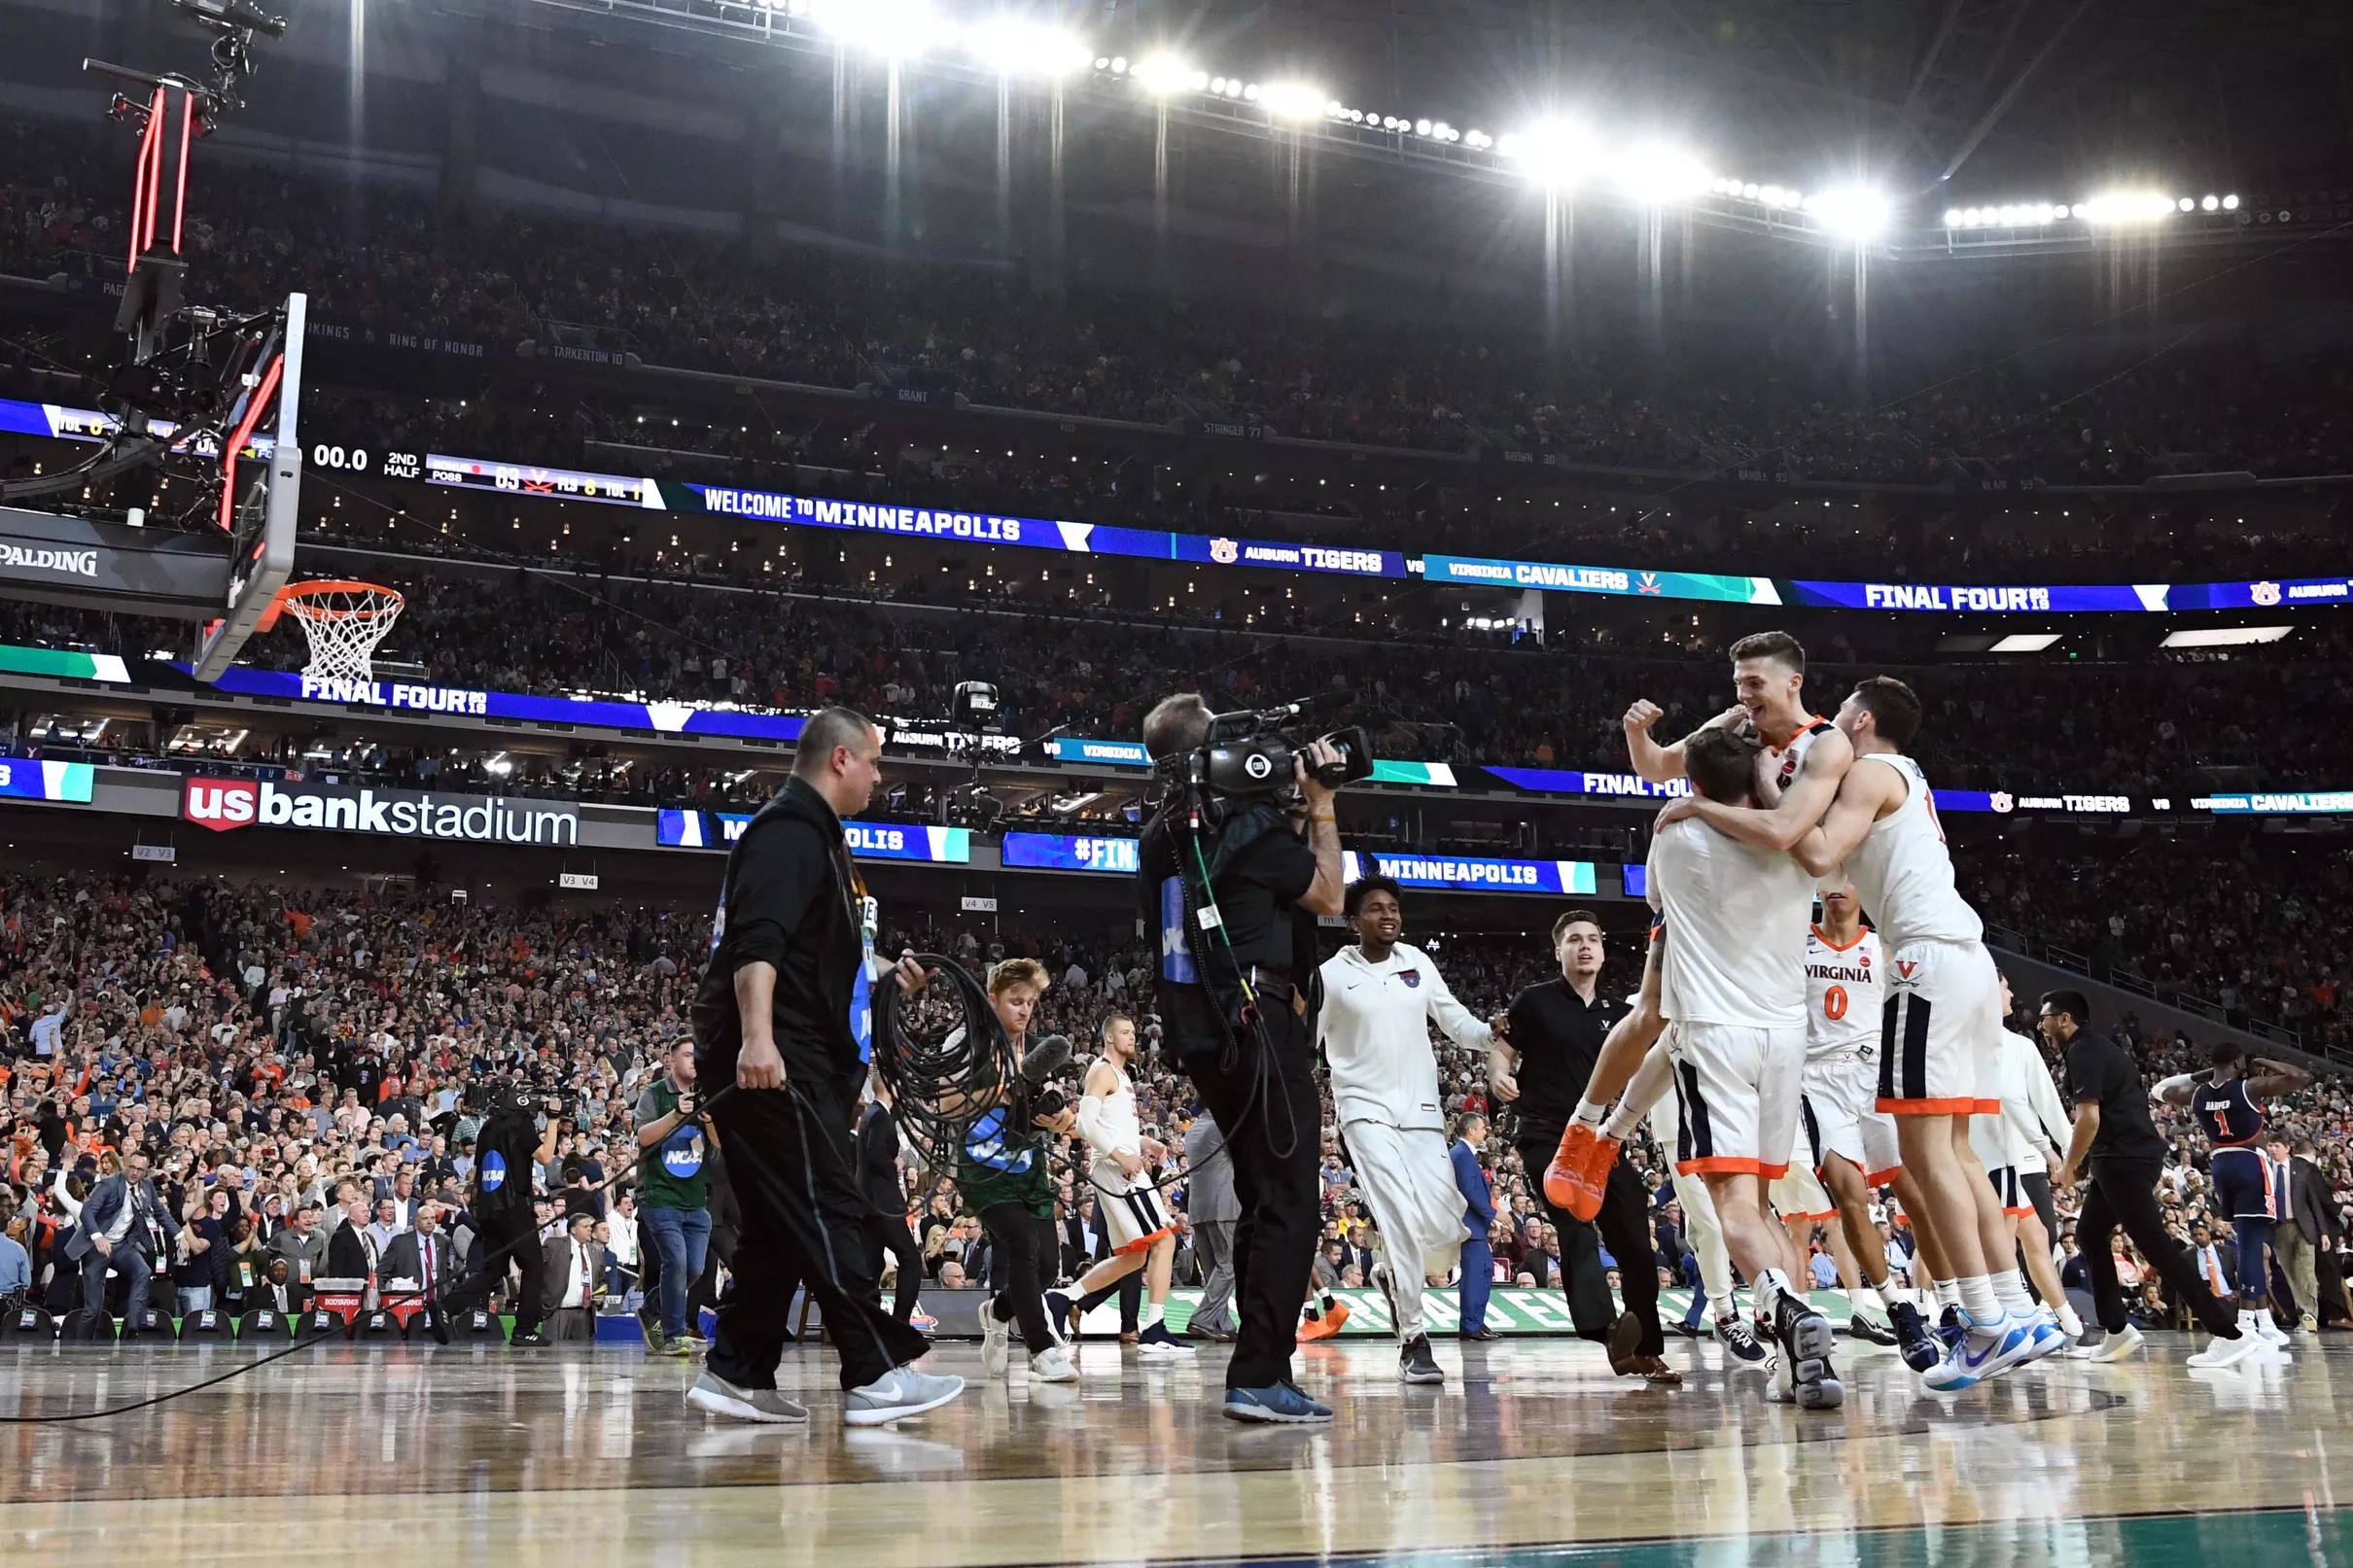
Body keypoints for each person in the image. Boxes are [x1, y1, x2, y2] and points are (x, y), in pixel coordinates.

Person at [1664, 674, 2062, 1389]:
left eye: (1839, 713)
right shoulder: (1900, 778)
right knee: (1959, 1152)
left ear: (1865, 719)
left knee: (1924, 1154)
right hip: (1968, 962)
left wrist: (1706, 798)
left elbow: (1807, 848)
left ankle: (1982, 1321)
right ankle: (2013, 1305)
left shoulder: (1870, 769)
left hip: (1922, 960)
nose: (1827, 723)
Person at [688, 706, 959, 1426]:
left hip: (787, 1049)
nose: (879, 775)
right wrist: (757, 1037)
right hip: (772, 1057)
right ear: (840, 758)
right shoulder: (788, 831)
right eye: (873, 761)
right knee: (829, 1203)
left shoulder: (817, 838)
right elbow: (757, 942)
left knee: (779, 1222)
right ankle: (874, 1370)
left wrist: (879, 975)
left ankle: (736, 1373)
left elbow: (809, 962)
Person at [1548, 630, 1858, 1202]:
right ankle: (1584, 1130)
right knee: (1654, 1013)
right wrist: (1634, 732)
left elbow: (1792, 833)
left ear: (1794, 682)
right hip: (1714, 889)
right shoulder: (1735, 724)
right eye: (1739, 682)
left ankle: (1613, 1133)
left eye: (1755, 682)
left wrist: (1698, 804)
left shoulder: (1824, 745)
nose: (1745, 693)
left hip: (1771, 900)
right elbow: (1659, 769)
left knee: (1697, 1026)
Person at [1136, 693, 1348, 1424]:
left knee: (1264, 1197)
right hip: (1261, 1024)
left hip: (1206, 1031)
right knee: (1291, 1201)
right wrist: (1319, 805)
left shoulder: (1163, 830)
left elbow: (1252, 887)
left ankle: (1258, 1366)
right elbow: (1325, 892)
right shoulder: (1242, 823)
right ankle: (1258, 1373)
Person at [1644, 726, 1839, 1409]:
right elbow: (1779, 824)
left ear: (1692, 785)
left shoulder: (1674, 834)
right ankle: (1802, 1365)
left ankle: (1786, 1307)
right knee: (1768, 1207)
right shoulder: (1798, 848)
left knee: (1733, 1208)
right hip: (1786, 1039)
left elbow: (1652, 907)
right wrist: (1767, 779)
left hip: (1714, 1034)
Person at [1316, 875, 1488, 1384]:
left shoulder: (1418, 962)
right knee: (1400, 1220)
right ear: (1353, 920)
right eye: (1374, 908)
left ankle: (1390, 1277)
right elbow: (1306, 1043)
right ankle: (1414, 1339)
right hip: (1364, 1113)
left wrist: (1495, 1033)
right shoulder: (1329, 975)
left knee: (1441, 1227)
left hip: (1421, 1113)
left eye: (1393, 908)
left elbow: (1457, 1023)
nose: (1387, 915)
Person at [1493, 910, 1678, 1382]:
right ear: (1558, 951)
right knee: (1573, 1221)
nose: (1585, 946)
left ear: (1604, 950)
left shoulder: (1621, 1016)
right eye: (1574, 939)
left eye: (1593, 938)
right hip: (1545, 1134)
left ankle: (1646, 1349)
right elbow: (1503, 1050)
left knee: (1636, 1232)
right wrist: (1497, 1073)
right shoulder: (1533, 1002)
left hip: (1601, 1139)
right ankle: (1607, 1329)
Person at [2044, 990, 2245, 1363]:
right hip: (2120, 1156)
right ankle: (2117, 1330)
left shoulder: (2083, 1051)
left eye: (2046, 1018)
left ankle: (2228, 1332)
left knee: (2155, 1246)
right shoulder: (2097, 1048)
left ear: (2065, 1019)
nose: (2042, 1025)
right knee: (2089, 1234)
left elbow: (2089, 1117)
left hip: (2124, 1158)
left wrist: (2070, 1166)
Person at [1798, 884, 1937, 1365]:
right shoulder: (1797, 942)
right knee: (1849, 1195)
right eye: (1828, 879)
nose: (1836, 888)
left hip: (1876, 1076)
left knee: (1916, 1193)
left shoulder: (1883, 948)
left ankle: (1956, 1303)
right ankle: (1897, 1308)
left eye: (1846, 877)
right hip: (1816, 1079)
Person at [957, 968, 1081, 1386]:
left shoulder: (1039, 1050)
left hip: (1027, 1166)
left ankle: (998, 1311)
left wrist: (1059, 1119)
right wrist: (1003, 1090)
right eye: (1015, 1000)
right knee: (1022, 1242)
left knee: (1047, 1266)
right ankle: (1042, 1348)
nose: (1024, 1009)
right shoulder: (967, 1042)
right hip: (982, 1168)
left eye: (1030, 1002)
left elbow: (1058, 1121)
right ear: (992, 999)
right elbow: (945, 1100)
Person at [1046, 1011, 1194, 1356]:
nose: (1133, 1037)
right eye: (1126, 1032)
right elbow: (1084, 1125)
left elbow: (1115, 1127)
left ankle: (1061, 1299)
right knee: (1164, 1239)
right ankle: (1154, 1328)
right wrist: (1122, 1156)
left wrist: (1146, 1143)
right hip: (1118, 1170)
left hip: (1124, 1165)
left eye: (1133, 1031)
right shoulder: (1101, 1070)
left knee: (1133, 1256)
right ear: (1110, 1037)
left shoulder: (1122, 1077)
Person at [2154, 1042, 2307, 1366]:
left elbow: (2162, 1092)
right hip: (2251, 1162)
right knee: (2253, 1245)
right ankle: (2245, 1325)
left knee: (2251, 1243)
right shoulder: (2250, 1087)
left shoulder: (2196, 1094)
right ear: (2238, 1062)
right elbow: (2300, 1077)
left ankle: (2264, 1321)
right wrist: (2259, 1061)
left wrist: (2209, 1072)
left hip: (2221, 1164)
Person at [1969, 977, 2085, 1346]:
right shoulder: (1973, 1044)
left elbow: (2046, 1101)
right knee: (2005, 1242)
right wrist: (2055, 1151)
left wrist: (2070, 1151)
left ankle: (2061, 1324)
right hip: (1991, 1158)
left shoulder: (2019, 1045)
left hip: (2020, 1158)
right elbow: (2011, 1100)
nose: (2012, 995)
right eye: (2004, 987)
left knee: (2040, 1238)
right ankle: (2007, 1320)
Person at [633, 1036, 715, 1357]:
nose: (694, 1060)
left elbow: (719, 1142)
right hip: (658, 1194)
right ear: (671, 1060)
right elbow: (643, 1137)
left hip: (695, 1198)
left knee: (694, 1269)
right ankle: (673, 1335)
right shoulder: (654, 1094)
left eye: (698, 1055)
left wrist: (709, 1121)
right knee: (676, 1261)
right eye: (687, 1055)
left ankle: (651, 1307)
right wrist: (676, 1115)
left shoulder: (707, 1095)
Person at [471, 1082, 560, 1346]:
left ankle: (446, 1306)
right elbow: (545, 1156)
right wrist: (553, 1121)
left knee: (494, 1267)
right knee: (533, 1265)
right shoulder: (520, 1125)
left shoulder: (487, 1127)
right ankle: (525, 1328)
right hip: (513, 1205)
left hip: (489, 1205)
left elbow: (478, 1169)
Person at [63, 1150, 178, 1338]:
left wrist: (180, 1236)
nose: (134, 1173)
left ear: (146, 1171)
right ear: (125, 1164)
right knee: (94, 1308)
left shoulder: (147, 1186)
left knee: (144, 1271)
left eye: (140, 1170)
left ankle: (132, 1328)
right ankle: (81, 1347)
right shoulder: (109, 1184)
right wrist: (97, 1236)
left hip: (121, 1246)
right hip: (96, 1247)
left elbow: (161, 1213)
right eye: (131, 1167)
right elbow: (87, 1212)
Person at [857, 1070, 923, 1327]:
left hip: (868, 1203)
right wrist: (894, 1164)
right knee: (910, 1259)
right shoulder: (880, 1117)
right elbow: (875, 1155)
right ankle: (900, 1324)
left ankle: (868, 1324)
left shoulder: (870, 1115)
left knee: (872, 1264)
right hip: (883, 1203)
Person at [1182, 1106, 1240, 1342]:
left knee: (1213, 1268)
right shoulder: (1221, 1126)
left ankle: (1222, 1324)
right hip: (1223, 1204)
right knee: (1230, 1264)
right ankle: (1203, 1317)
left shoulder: (1192, 1130)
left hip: (1198, 1205)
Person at [2273, 1136, 2339, 1333]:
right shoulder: (2267, 1173)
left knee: (2306, 1271)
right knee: (2290, 1273)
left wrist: (2324, 1232)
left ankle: (2309, 1315)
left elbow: (2313, 1203)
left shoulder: (2301, 1170)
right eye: (2270, 1145)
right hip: (2278, 1227)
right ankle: (2301, 1312)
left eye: (2277, 1145)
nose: (2272, 1149)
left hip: (2304, 1227)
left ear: (2287, 1148)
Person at [1450, 1113, 1499, 1341]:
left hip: (1476, 1226)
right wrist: (1493, 1213)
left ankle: (1476, 1321)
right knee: (1474, 1276)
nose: (1485, 1131)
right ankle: (1470, 1325)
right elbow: (1470, 1191)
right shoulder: (1461, 1155)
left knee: (1484, 1272)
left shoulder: (1465, 1154)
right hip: (1469, 1226)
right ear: (1471, 1131)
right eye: (1482, 1128)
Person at [543, 1210, 604, 1342]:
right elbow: (537, 1270)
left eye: (591, 1227)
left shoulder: (596, 1252)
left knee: (584, 1357)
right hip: (558, 1312)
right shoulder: (554, 1245)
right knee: (553, 1356)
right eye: (585, 1226)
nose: (589, 1230)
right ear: (573, 1230)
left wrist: (600, 1297)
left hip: (585, 1315)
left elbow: (601, 1280)